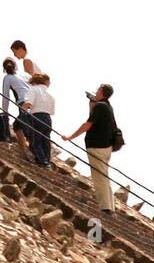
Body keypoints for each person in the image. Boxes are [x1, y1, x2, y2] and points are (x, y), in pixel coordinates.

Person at [63, 85, 118, 214]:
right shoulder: (107, 106)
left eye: (98, 89)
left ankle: (105, 208)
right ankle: (109, 206)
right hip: (106, 147)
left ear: (101, 92)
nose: (96, 91)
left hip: (97, 146)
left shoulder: (100, 106)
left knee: (99, 177)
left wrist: (71, 137)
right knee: (103, 176)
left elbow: (88, 124)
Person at [0, 58, 32, 152]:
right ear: (15, 65)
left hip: (23, 103)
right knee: (24, 125)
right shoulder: (25, 75)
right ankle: (26, 149)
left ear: (4, 69)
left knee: (21, 127)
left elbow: (5, 96)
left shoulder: (7, 77)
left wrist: (5, 112)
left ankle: (25, 150)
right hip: (34, 102)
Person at [23, 73, 55, 166]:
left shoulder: (33, 90)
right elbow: (52, 111)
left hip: (37, 116)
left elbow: (28, 103)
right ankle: (47, 161)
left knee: (35, 141)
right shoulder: (50, 94)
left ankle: (41, 161)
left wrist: (23, 109)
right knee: (46, 141)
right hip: (48, 118)